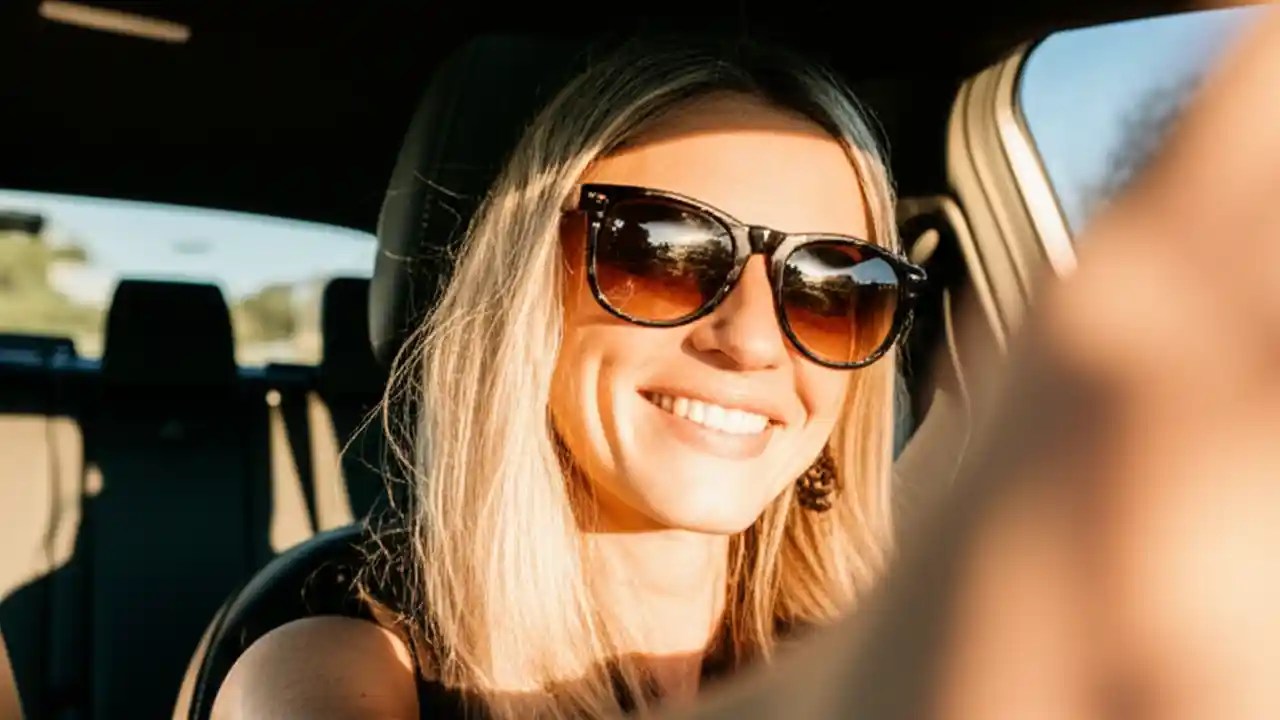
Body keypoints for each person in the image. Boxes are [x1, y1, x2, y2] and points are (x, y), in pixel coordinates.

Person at [212, 36, 920, 719]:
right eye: (662, 253)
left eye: (832, 290)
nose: (752, 342)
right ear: (525, 287)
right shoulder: (334, 666)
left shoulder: (889, 658)